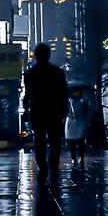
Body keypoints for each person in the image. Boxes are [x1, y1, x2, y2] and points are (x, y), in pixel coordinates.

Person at [23, 44, 70, 174]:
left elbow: (28, 95)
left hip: (38, 112)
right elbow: (64, 93)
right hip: (55, 111)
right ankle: (53, 164)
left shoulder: (30, 74)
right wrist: (64, 110)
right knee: (55, 141)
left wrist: (27, 110)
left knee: (39, 141)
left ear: (36, 56)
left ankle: (43, 167)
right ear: (49, 55)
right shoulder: (58, 72)